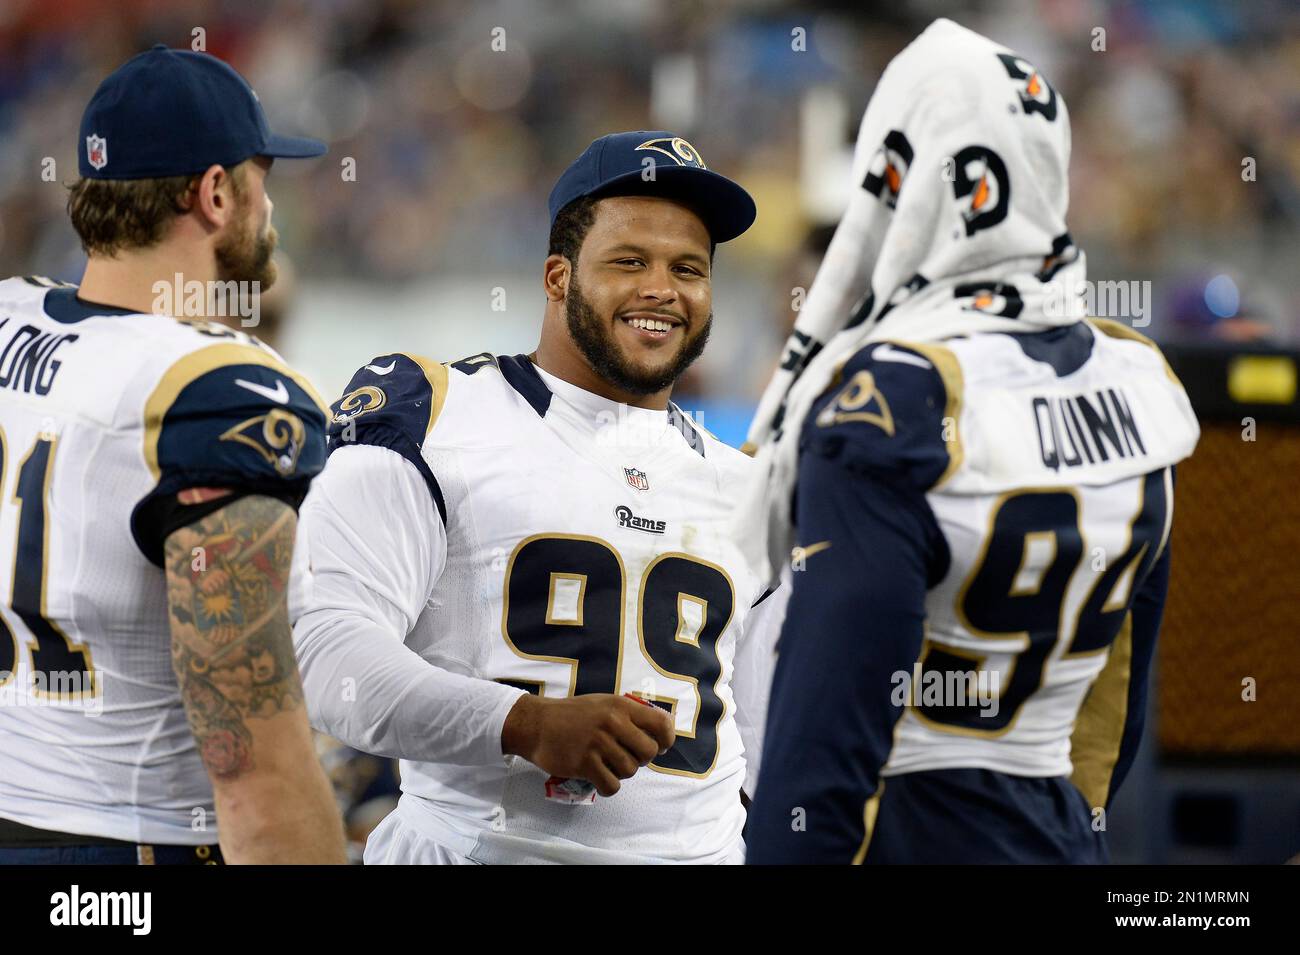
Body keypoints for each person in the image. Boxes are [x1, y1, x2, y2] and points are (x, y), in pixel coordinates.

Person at [739, 19, 1200, 864]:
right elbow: (1119, 704)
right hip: (1056, 823)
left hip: (908, 824)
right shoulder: (1139, 375)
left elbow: (825, 738)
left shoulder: (894, 395)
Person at [291, 131, 784, 864]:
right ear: (557, 276)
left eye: (688, 268)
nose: (662, 288)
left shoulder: (746, 486)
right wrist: (524, 723)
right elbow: (333, 663)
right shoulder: (437, 416)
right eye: (629, 261)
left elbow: (780, 735)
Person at [0, 46, 346, 864]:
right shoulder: (217, 390)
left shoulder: (9, 315)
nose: (272, 211)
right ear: (216, 193)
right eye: (263, 180)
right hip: (123, 848)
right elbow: (252, 761)